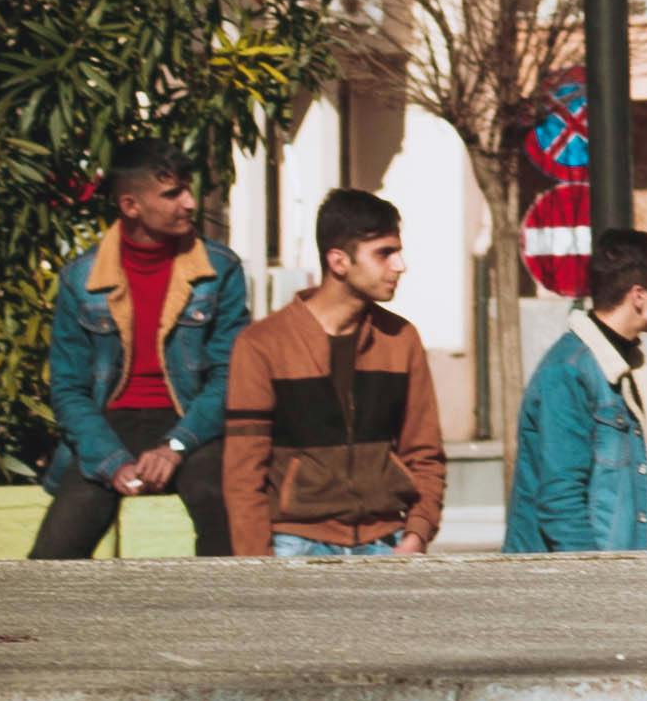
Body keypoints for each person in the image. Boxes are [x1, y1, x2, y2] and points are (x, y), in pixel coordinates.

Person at [34, 142, 250, 559]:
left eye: (188, 189)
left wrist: (176, 445)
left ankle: (217, 620)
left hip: (191, 420)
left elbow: (232, 375)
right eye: (172, 194)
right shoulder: (80, 278)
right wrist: (111, 461)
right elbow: (68, 388)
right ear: (130, 205)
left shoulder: (219, 269)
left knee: (220, 508)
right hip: (109, 427)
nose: (189, 203)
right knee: (54, 553)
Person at [222, 190, 448, 559]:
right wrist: (256, 569)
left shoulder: (401, 340)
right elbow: (243, 473)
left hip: (386, 543)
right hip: (293, 545)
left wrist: (417, 534)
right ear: (339, 261)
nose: (400, 265)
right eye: (384, 253)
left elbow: (424, 453)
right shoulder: (261, 345)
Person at [507, 230, 647, 551]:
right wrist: (595, 588)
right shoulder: (569, 371)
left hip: (623, 577)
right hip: (581, 586)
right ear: (639, 296)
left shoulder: (629, 366)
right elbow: (561, 500)